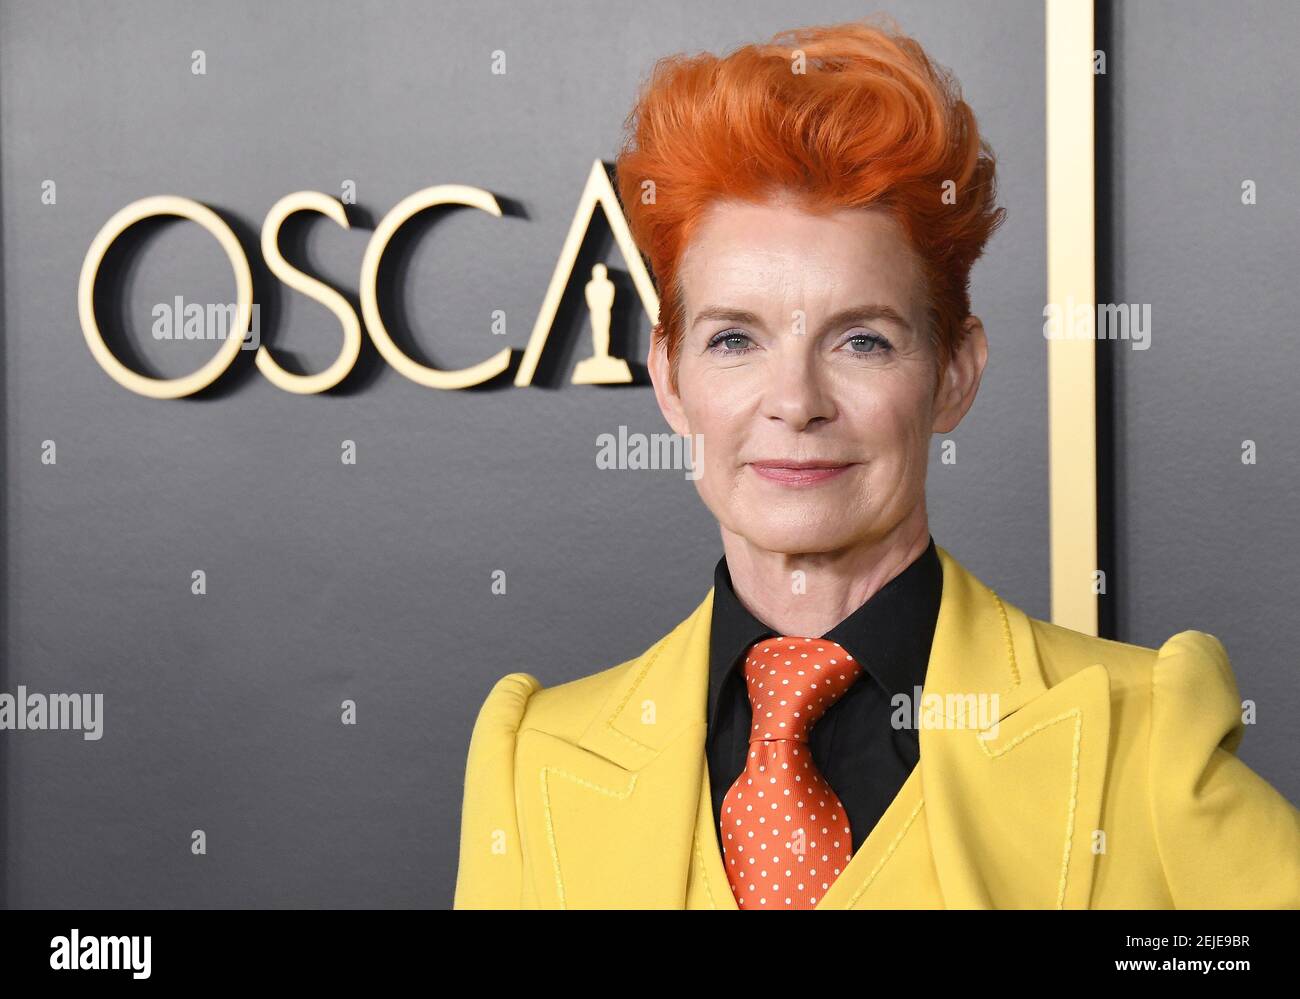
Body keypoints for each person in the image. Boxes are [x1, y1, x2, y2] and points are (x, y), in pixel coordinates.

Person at [452, 16, 1300, 909]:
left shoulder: (1146, 732)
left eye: (860, 340)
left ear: (954, 375)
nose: (796, 400)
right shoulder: (536, 757)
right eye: (735, 338)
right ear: (669, 379)